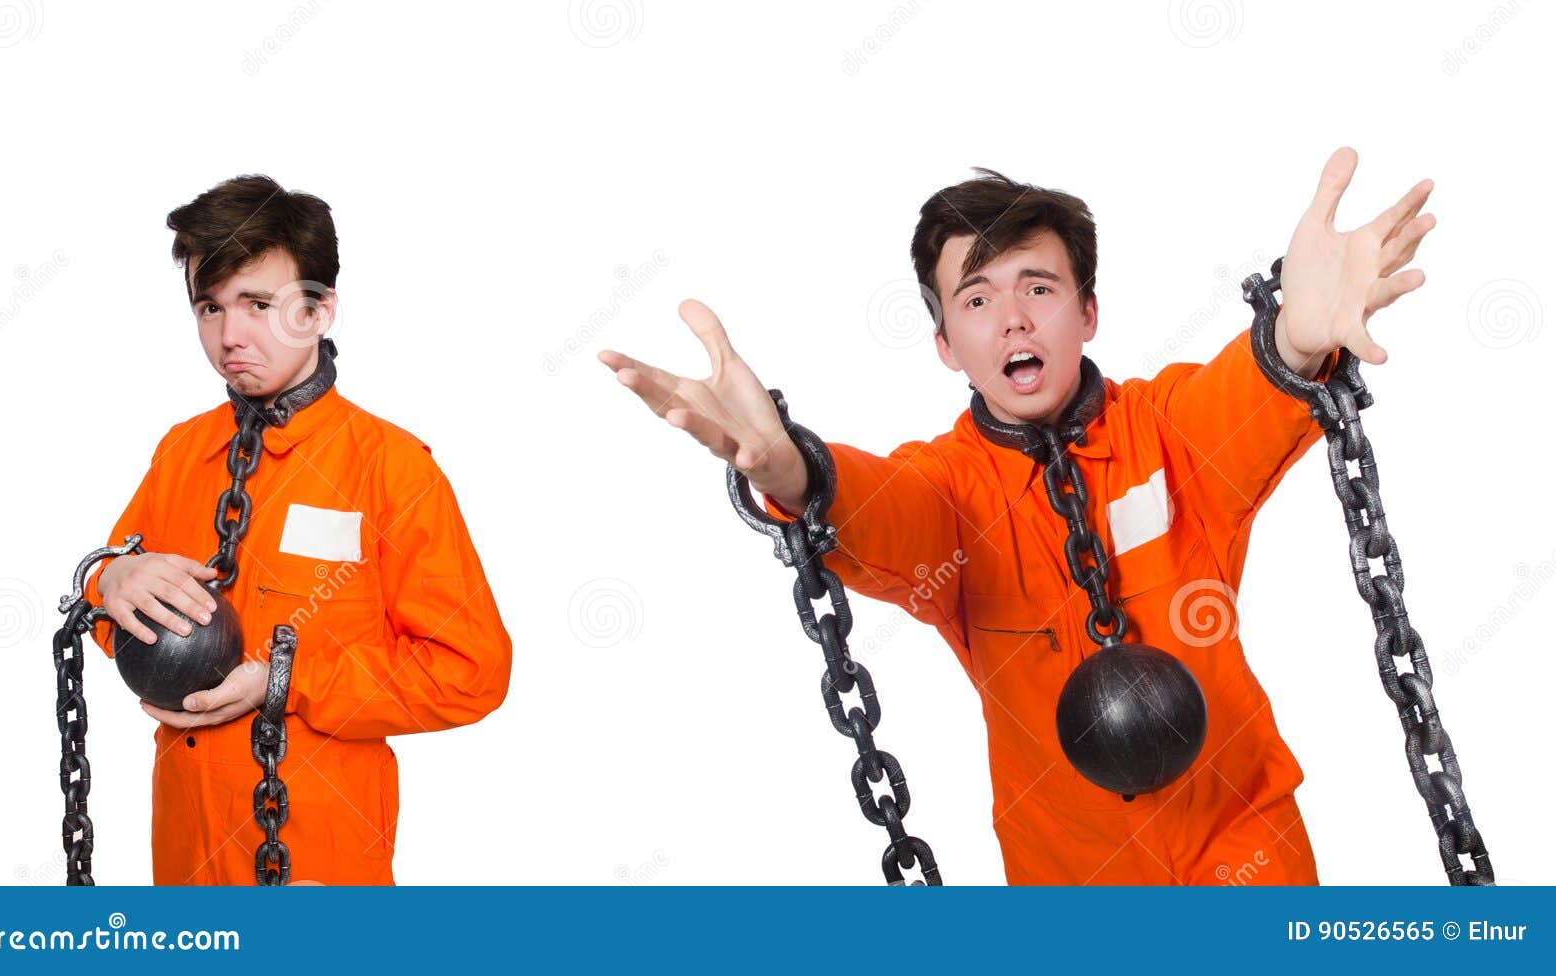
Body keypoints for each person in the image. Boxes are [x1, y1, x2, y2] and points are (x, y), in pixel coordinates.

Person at [600, 147, 1434, 884]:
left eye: (1039, 287)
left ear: (1088, 312)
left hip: (1245, 847)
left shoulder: (1170, 433)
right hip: (1070, 880)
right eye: (976, 301)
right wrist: (791, 468)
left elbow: (1242, 403)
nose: (1014, 319)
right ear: (945, 346)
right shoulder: (950, 494)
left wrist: (1292, 341)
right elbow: (887, 515)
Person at [85, 175, 514, 885]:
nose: (229, 337)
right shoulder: (181, 453)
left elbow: (472, 673)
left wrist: (287, 681)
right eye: (209, 307)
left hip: (319, 864)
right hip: (187, 860)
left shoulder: (392, 469)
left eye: (258, 304)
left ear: (319, 311)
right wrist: (110, 577)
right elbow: (113, 614)